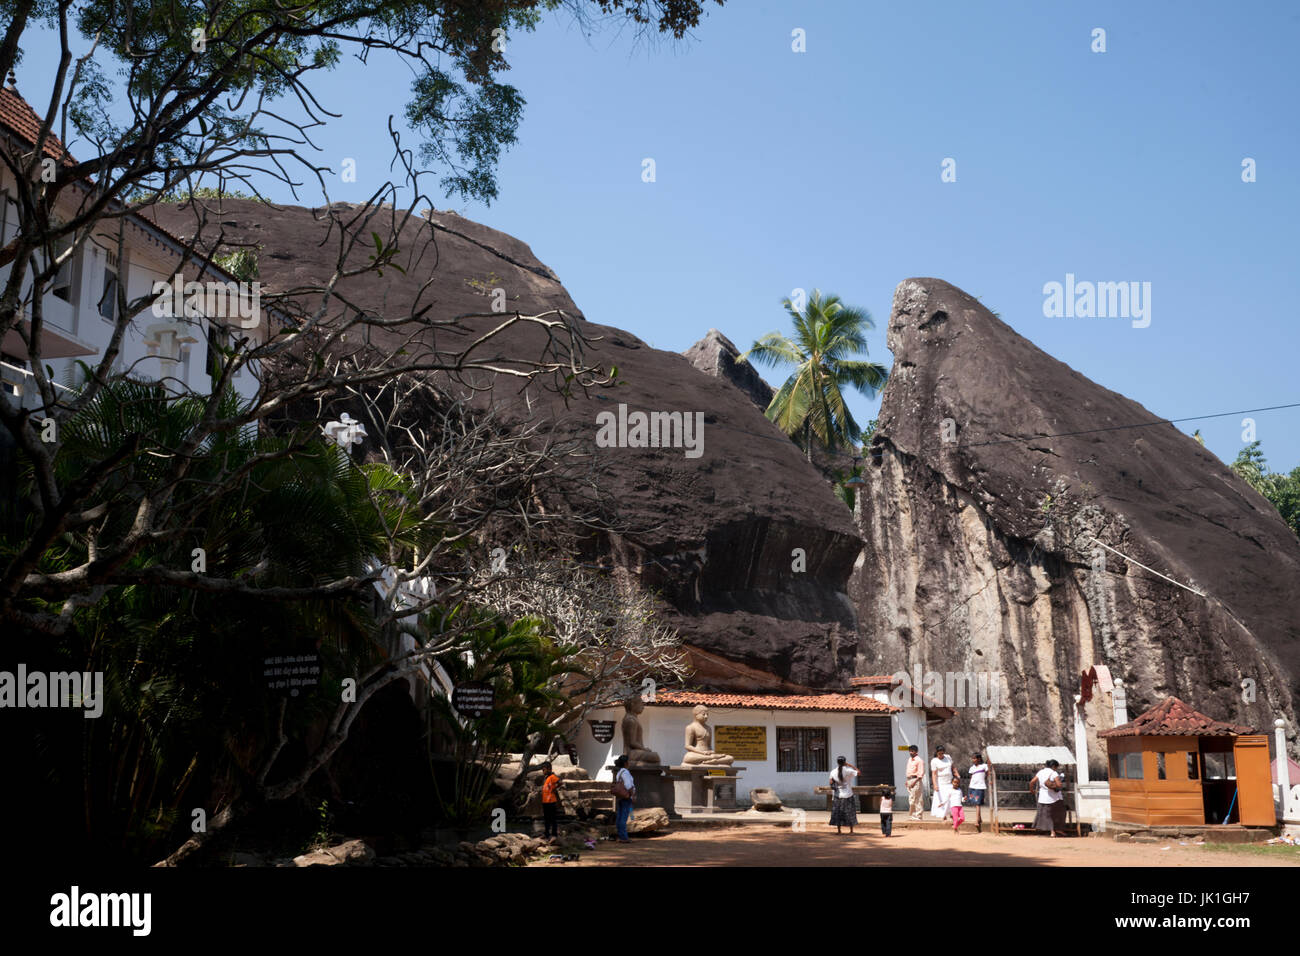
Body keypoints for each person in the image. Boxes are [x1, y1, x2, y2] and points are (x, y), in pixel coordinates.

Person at [1030, 759, 1067, 837]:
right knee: (1059, 814)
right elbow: (1059, 785)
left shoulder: (1040, 772)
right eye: (1056, 767)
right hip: (1055, 798)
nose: (1056, 769)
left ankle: (1052, 832)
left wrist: (1032, 790)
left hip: (1043, 798)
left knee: (1047, 816)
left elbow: (1032, 782)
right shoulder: (1054, 773)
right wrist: (1059, 782)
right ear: (1053, 766)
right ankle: (1058, 829)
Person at [828, 756, 859, 834]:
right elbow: (858, 772)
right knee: (850, 812)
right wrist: (850, 765)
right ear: (845, 762)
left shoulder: (833, 771)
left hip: (838, 795)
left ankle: (839, 831)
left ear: (837, 762)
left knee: (838, 813)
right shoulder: (848, 770)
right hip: (848, 794)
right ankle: (851, 831)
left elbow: (831, 782)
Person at [612, 754, 637, 843]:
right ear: (626, 763)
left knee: (620, 816)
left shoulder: (619, 772)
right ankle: (624, 837)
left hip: (621, 796)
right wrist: (632, 795)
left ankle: (620, 835)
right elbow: (628, 785)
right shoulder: (625, 772)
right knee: (624, 816)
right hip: (627, 796)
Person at [930, 745, 954, 819]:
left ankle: (951, 813)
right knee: (942, 799)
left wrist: (957, 774)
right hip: (941, 782)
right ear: (937, 753)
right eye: (939, 753)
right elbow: (934, 774)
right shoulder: (934, 761)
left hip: (949, 781)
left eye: (942, 753)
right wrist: (935, 785)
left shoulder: (948, 757)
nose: (941, 755)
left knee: (950, 797)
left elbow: (953, 767)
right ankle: (943, 815)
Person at [967, 753, 989, 831]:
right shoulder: (972, 768)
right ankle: (980, 819)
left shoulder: (984, 766)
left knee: (977, 804)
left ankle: (977, 820)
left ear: (979, 759)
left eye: (974, 758)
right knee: (975, 803)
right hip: (972, 787)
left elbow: (987, 774)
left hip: (980, 787)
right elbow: (971, 777)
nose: (973, 760)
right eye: (972, 758)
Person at [540, 761, 561, 839]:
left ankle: (554, 835)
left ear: (549, 769)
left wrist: (554, 789)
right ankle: (546, 834)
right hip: (545, 802)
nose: (543, 771)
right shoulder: (546, 778)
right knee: (546, 819)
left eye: (544, 769)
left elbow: (560, 782)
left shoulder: (552, 776)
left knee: (553, 819)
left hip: (551, 801)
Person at [905, 745, 926, 820]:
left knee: (917, 798)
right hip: (910, 780)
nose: (911, 752)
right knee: (911, 798)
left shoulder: (919, 760)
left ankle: (918, 816)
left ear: (916, 752)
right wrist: (907, 781)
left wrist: (915, 782)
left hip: (916, 780)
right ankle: (912, 815)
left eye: (912, 751)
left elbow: (921, 773)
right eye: (910, 751)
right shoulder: (910, 759)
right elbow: (909, 771)